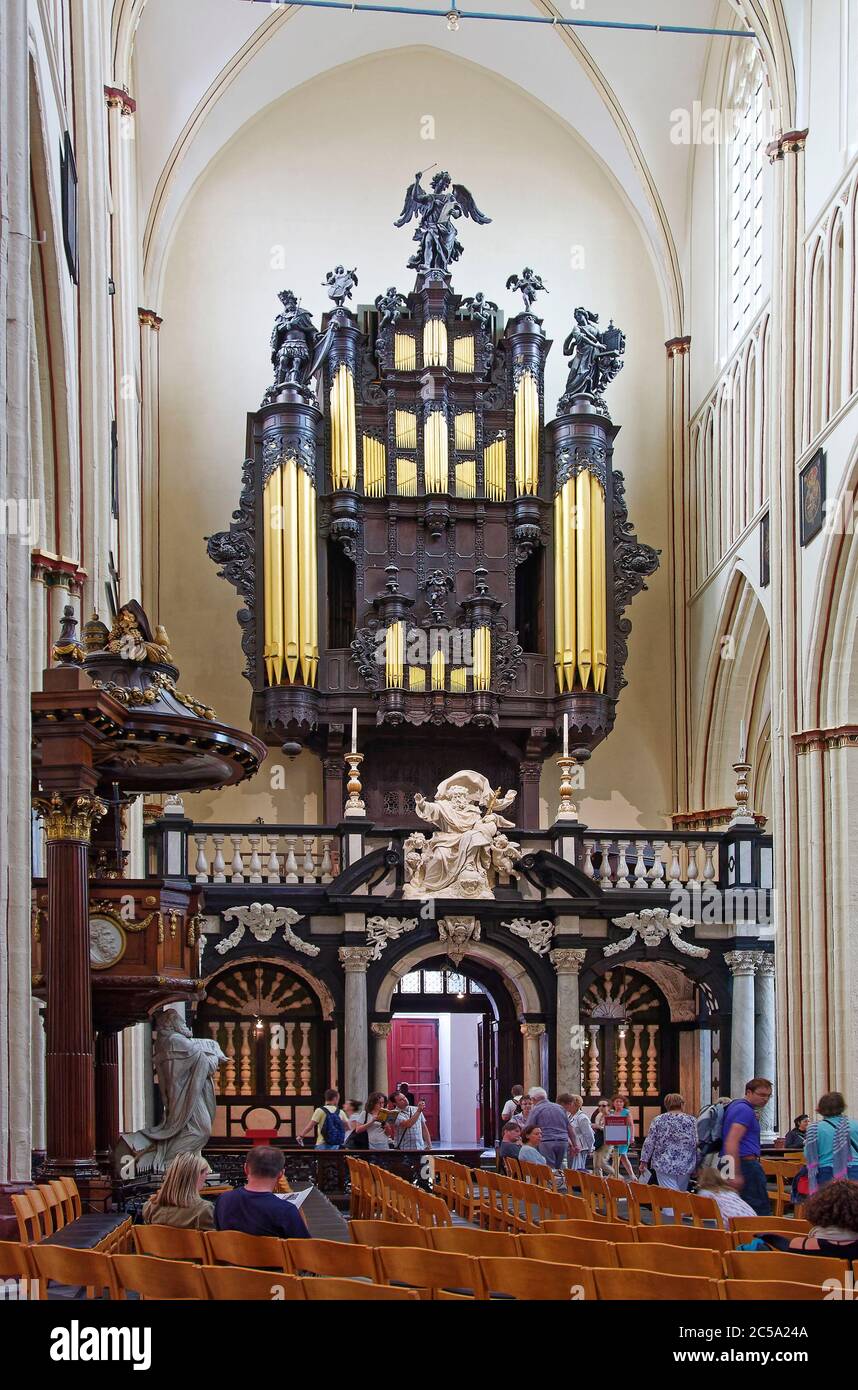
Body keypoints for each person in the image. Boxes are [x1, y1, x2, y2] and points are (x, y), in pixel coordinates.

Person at [214, 1146, 309, 1239]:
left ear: (246, 1169)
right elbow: (303, 1248)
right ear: (281, 1174)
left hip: (230, 1254)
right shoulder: (286, 1211)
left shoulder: (223, 1200)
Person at [719, 1076, 773, 1215]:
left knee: (731, 1210)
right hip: (744, 1163)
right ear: (749, 1092)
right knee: (758, 1211)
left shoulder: (735, 1105)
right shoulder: (745, 1110)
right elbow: (732, 1141)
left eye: (768, 1096)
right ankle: (757, 1237)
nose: (765, 1099)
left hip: (726, 1161)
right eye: (761, 1095)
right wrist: (735, 1174)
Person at [639, 1094, 699, 1191]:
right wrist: (697, 1164)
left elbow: (650, 1141)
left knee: (670, 1195)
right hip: (686, 1163)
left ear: (666, 1104)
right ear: (682, 1104)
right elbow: (696, 1143)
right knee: (681, 1193)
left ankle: (673, 1206)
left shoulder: (658, 1120)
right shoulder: (691, 1120)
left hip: (663, 1163)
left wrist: (644, 1161)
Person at [142, 1151, 214, 1230]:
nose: (206, 1178)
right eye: (206, 1174)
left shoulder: (149, 1207)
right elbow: (213, 1241)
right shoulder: (203, 1210)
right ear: (196, 1176)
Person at [804, 1091, 858, 1193]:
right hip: (855, 1169)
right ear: (843, 1107)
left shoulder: (814, 1128)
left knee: (828, 1206)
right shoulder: (855, 1125)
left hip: (826, 1172)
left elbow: (808, 1154)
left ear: (820, 1109)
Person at [526, 1087, 572, 1170]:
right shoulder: (560, 1108)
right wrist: (575, 1144)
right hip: (562, 1141)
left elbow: (528, 1127)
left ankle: (551, 1183)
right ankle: (557, 1182)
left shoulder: (536, 1109)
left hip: (546, 1141)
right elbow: (569, 1127)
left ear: (533, 1099)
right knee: (559, 1168)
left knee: (549, 1168)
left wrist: (524, 1141)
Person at [559, 1094, 594, 1171]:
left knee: (578, 1168)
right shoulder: (569, 1116)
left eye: (569, 1103)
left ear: (575, 1104)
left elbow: (588, 1134)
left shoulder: (582, 1117)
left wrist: (590, 1148)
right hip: (571, 1147)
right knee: (571, 1167)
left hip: (581, 1148)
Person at [606, 1095, 636, 1179]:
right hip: (614, 1135)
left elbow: (631, 1125)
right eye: (617, 1101)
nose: (619, 1103)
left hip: (624, 1135)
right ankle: (632, 1175)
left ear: (624, 1103)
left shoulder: (626, 1112)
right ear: (613, 1103)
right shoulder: (611, 1112)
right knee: (622, 1156)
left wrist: (632, 1137)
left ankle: (611, 1174)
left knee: (619, 1154)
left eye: (621, 1102)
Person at [591, 1100, 612, 1174]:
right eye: (599, 1106)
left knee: (602, 1163)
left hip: (607, 1142)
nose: (601, 1107)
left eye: (603, 1106)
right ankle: (599, 1182)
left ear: (608, 1107)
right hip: (598, 1140)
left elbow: (611, 1130)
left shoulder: (611, 1116)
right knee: (596, 1164)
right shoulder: (599, 1115)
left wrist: (599, 1127)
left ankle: (618, 1177)